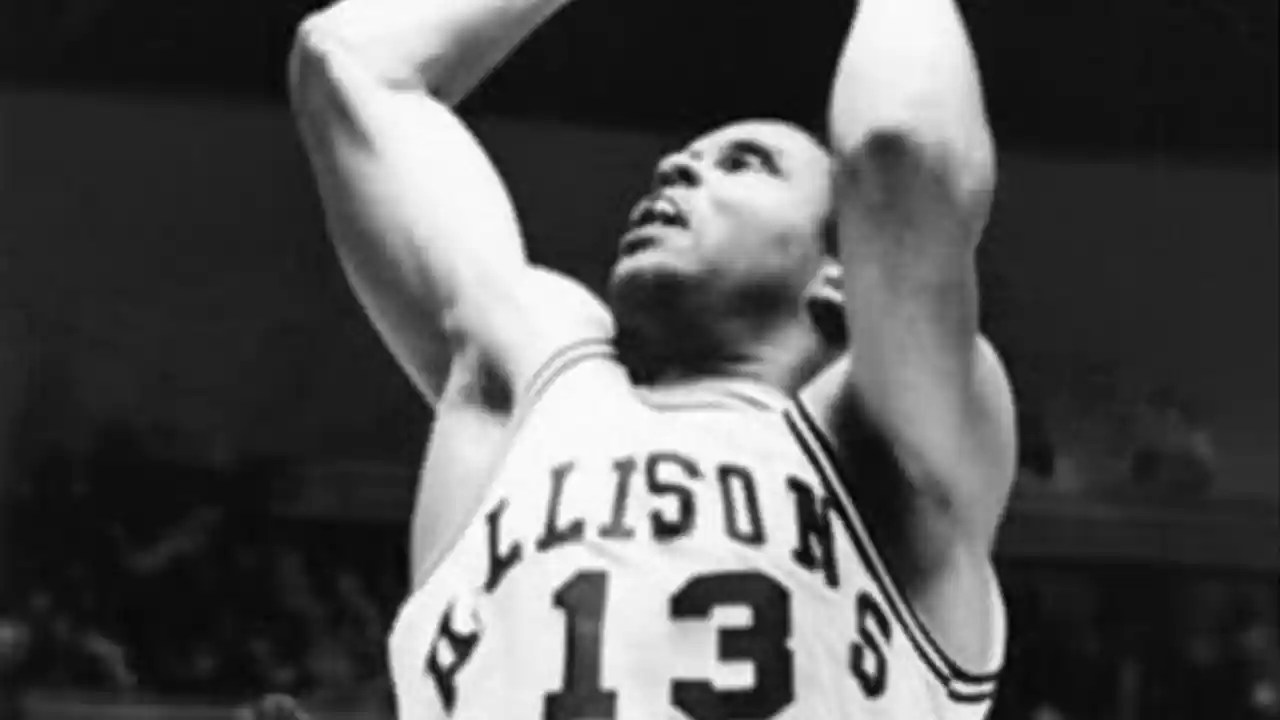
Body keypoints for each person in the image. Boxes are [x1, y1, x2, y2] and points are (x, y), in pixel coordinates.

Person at [288, 0, 1017, 713]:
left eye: (745, 163)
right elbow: (349, 62)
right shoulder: (531, 376)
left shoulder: (890, 442)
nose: (675, 169)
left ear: (841, 272)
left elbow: (900, 151)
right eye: (681, 162)